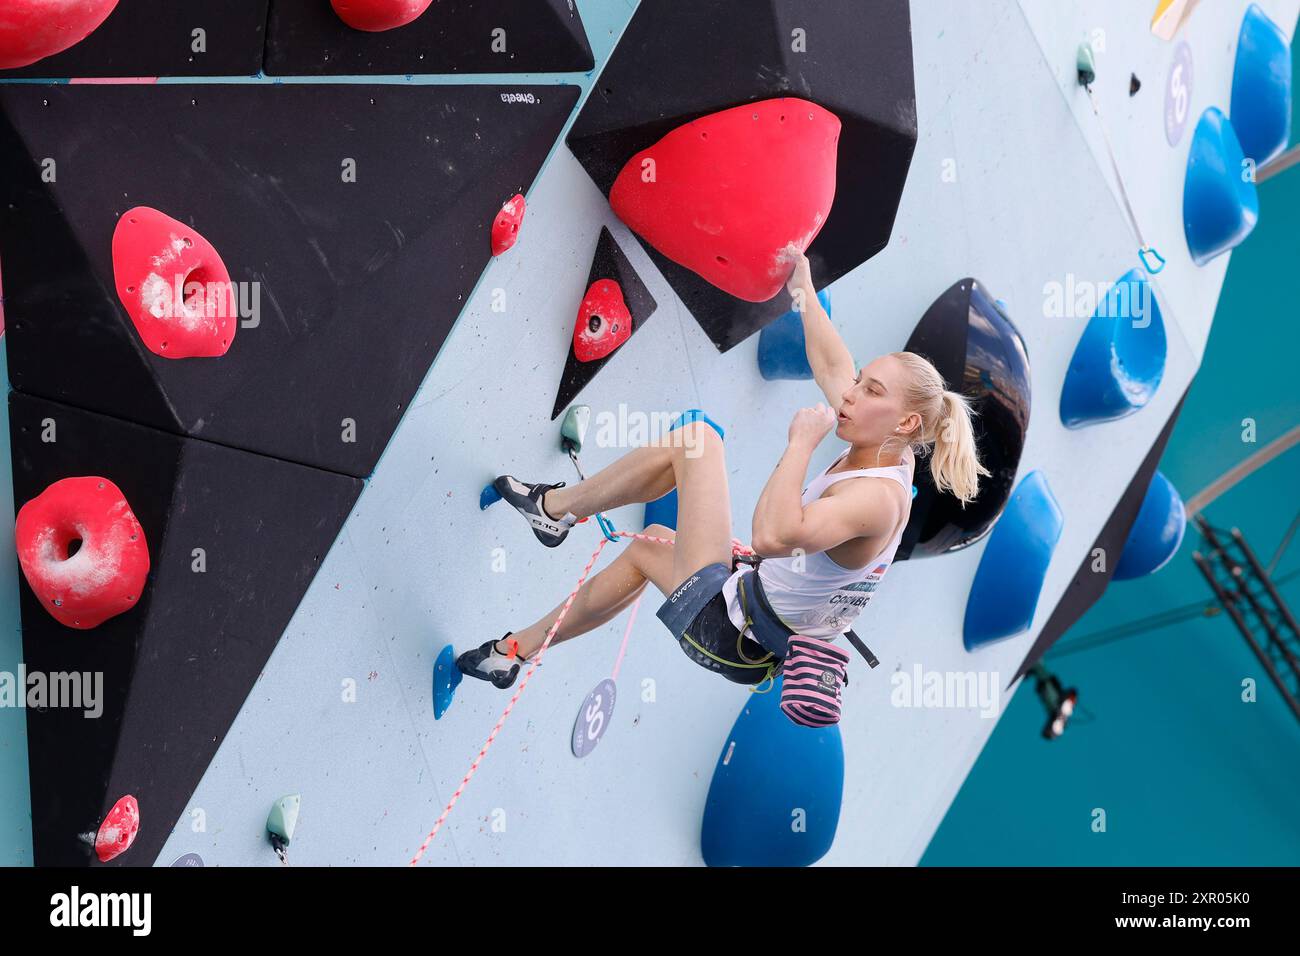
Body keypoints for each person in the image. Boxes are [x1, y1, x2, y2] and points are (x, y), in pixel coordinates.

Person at [457, 247, 989, 688]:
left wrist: (801, 444)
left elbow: (774, 533)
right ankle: (512, 653)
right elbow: (831, 364)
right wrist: (801, 285)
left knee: (698, 444)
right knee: (646, 549)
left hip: (735, 633)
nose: (851, 395)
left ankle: (552, 511)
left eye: (872, 391)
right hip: (749, 611)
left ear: (905, 425)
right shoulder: (876, 438)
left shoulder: (877, 499)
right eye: (863, 382)